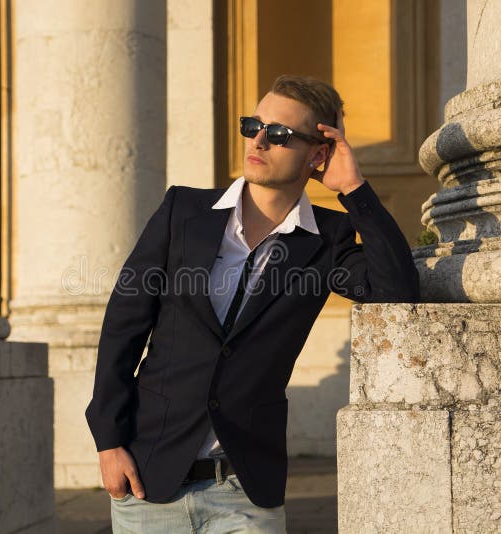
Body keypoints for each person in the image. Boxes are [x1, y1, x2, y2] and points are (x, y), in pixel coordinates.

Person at [85, 74, 419, 533]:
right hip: (149, 481)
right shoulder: (183, 212)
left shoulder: (326, 239)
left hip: (244, 492)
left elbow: (397, 292)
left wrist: (354, 190)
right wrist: (108, 441)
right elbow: (124, 326)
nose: (259, 140)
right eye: (253, 125)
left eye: (279, 133)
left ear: (318, 154)